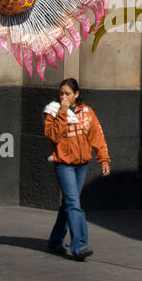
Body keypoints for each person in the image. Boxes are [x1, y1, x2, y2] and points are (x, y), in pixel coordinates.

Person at [43, 79, 110, 261]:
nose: (63, 97)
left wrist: (103, 159)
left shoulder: (87, 112)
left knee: (68, 203)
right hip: (63, 163)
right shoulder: (53, 111)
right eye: (61, 94)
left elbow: (97, 136)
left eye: (67, 94)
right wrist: (63, 112)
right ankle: (80, 245)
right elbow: (53, 135)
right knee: (74, 203)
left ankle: (55, 240)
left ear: (76, 94)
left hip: (82, 164)